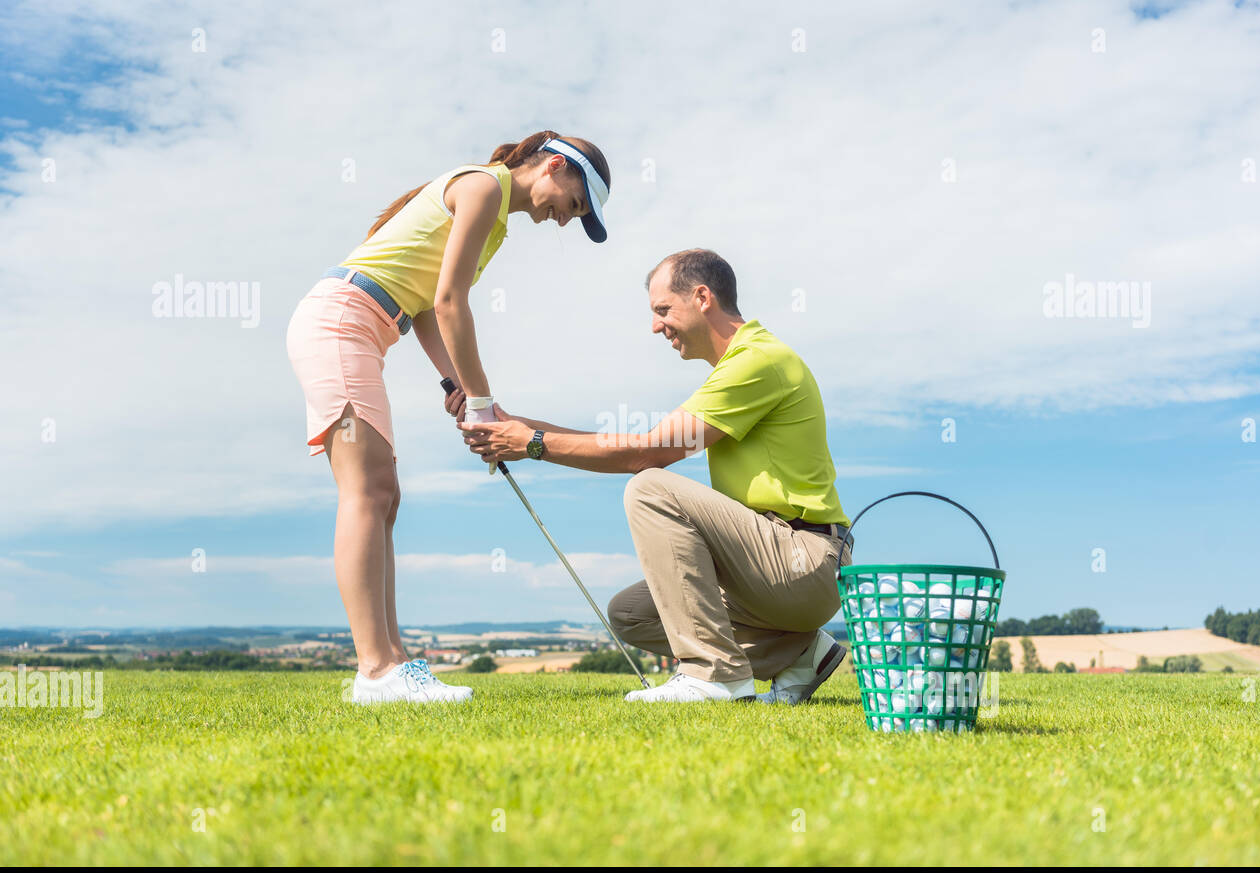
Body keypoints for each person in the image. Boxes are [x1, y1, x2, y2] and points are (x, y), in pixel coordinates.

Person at [285, 131, 612, 705]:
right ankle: (376, 671)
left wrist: (457, 386)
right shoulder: (485, 187)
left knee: (385, 494)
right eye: (576, 204)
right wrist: (484, 405)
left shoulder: (498, 218)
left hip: (365, 327)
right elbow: (450, 302)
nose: (567, 220)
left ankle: (393, 664)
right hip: (341, 323)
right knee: (366, 490)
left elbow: (428, 309)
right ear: (556, 167)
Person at [459, 249, 852, 704]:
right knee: (631, 614)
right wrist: (524, 428)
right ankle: (800, 654)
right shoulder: (737, 366)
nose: (655, 326)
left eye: (663, 310)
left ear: (702, 297)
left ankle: (715, 675)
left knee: (650, 488)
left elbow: (647, 453)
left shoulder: (758, 361)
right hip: (770, 564)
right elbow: (643, 444)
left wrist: (533, 444)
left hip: (804, 560)